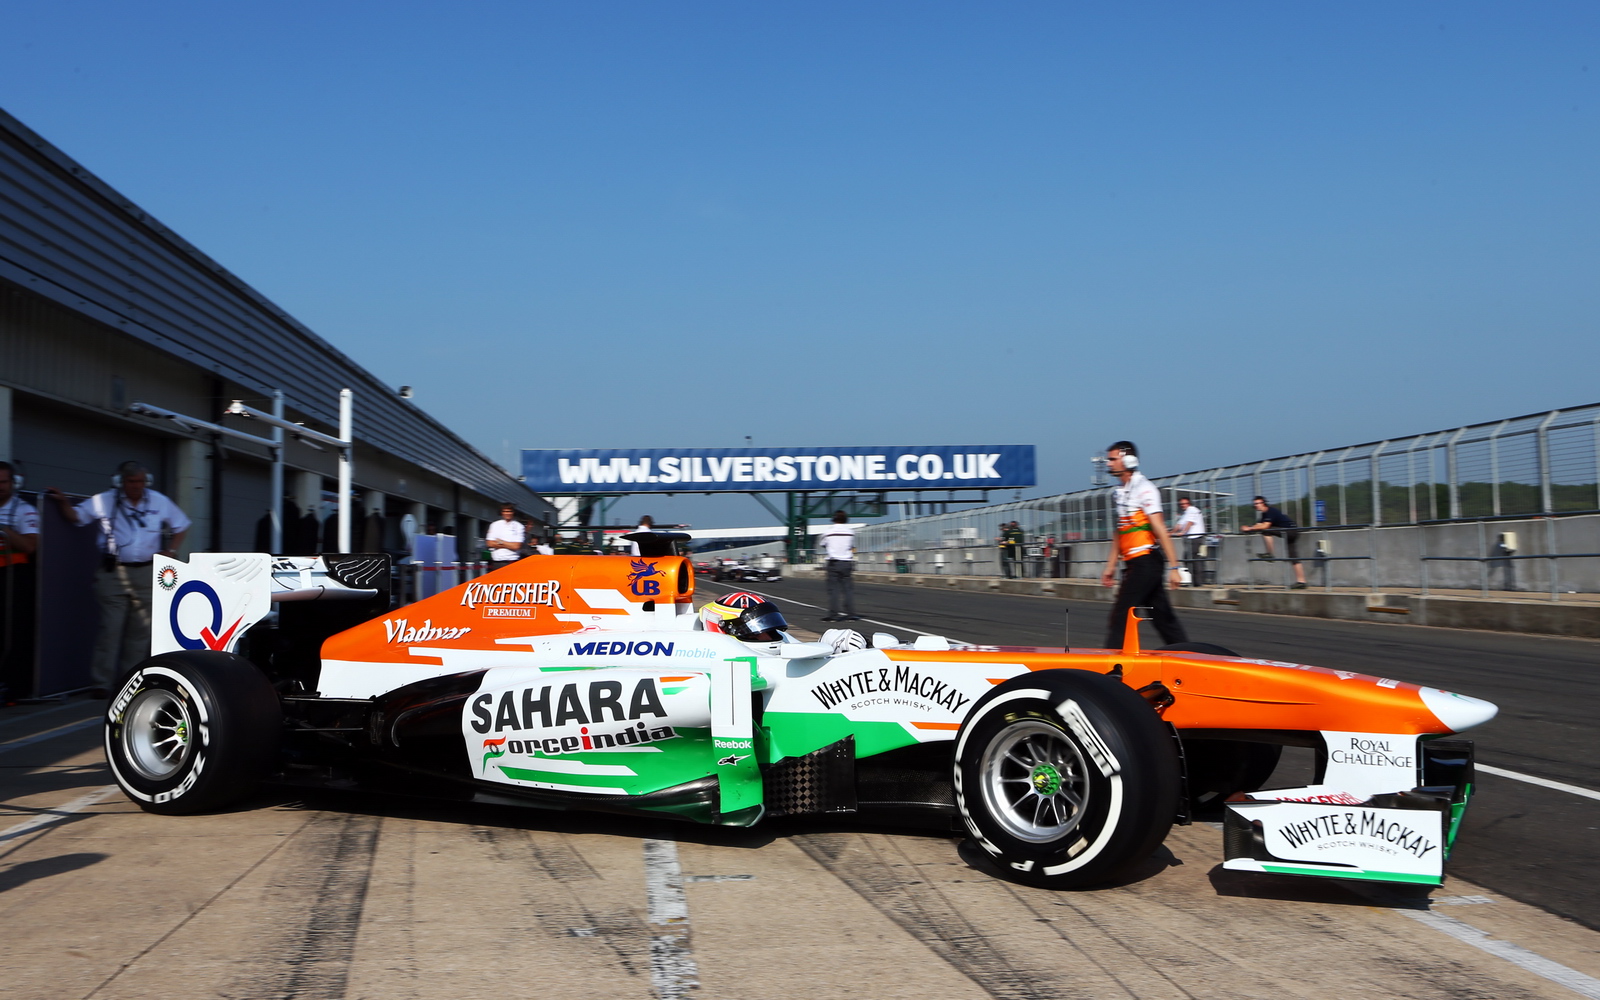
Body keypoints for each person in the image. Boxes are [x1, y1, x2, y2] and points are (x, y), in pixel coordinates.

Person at [46, 461, 190, 695]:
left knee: (140, 631)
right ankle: (101, 683)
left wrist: (171, 550)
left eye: (141, 481)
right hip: (113, 572)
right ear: (120, 482)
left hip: (146, 572)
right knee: (110, 628)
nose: (137, 486)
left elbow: (182, 524)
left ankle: (128, 682)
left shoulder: (159, 501)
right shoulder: (104, 500)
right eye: (132, 481)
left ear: (147, 482)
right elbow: (77, 517)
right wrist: (63, 502)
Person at [1099, 441, 1188, 648]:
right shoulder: (1118, 492)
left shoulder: (1145, 490)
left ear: (1128, 460)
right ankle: (1186, 654)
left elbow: (1160, 529)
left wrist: (1175, 567)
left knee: (1122, 613)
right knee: (1162, 618)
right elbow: (1120, 531)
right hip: (1135, 563)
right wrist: (1110, 565)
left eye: (1112, 459)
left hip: (1146, 561)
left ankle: (1111, 666)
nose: (1108, 464)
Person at [0, 462, 40, 699]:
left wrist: (4, 530)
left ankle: (13, 687)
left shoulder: (24, 510)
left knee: (13, 632)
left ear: (13, 483)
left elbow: (30, 545)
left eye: (3, 482)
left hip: (13, 578)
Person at [1241, 496, 1308, 589]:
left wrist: (1250, 528)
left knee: (1266, 530)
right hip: (1290, 531)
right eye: (1254, 504)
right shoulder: (1264, 515)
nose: (1255, 506)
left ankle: (1270, 554)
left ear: (1263, 503)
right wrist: (1248, 528)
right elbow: (1258, 525)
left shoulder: (1270, 511)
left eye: (1257, 503)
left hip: (1291, 531)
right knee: (1293, 556)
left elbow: (1265, 525)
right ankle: (1302, 582)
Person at [699, 591, 792, 654]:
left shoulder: (785, 641)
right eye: (755, 635)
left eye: (769, 631)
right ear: (722, 627)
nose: (767, 637)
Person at [816, 510, 858, 622]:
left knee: (834, 590)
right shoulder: (850, 532)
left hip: (833, 562)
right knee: (848, 590)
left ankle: (833, 615)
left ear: (834, 519)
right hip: (847, 562)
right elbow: (851, 546)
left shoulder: (828, 533)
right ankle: (851, 614)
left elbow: (823, 544)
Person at [1172, 497, 1206, 586]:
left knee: (1194, 560)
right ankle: (1195, 581)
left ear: (1189, 503)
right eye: (1181, 504)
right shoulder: (1185, 513)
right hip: (1190, 539)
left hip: (1196, 538)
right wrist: (1171, 533)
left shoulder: (1192, 510)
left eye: (1185, 503)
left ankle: (1198, 582)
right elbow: (1179, 524)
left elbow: (1189, 522)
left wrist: (1183, 532)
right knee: (1188, 559)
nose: (1183, 505)